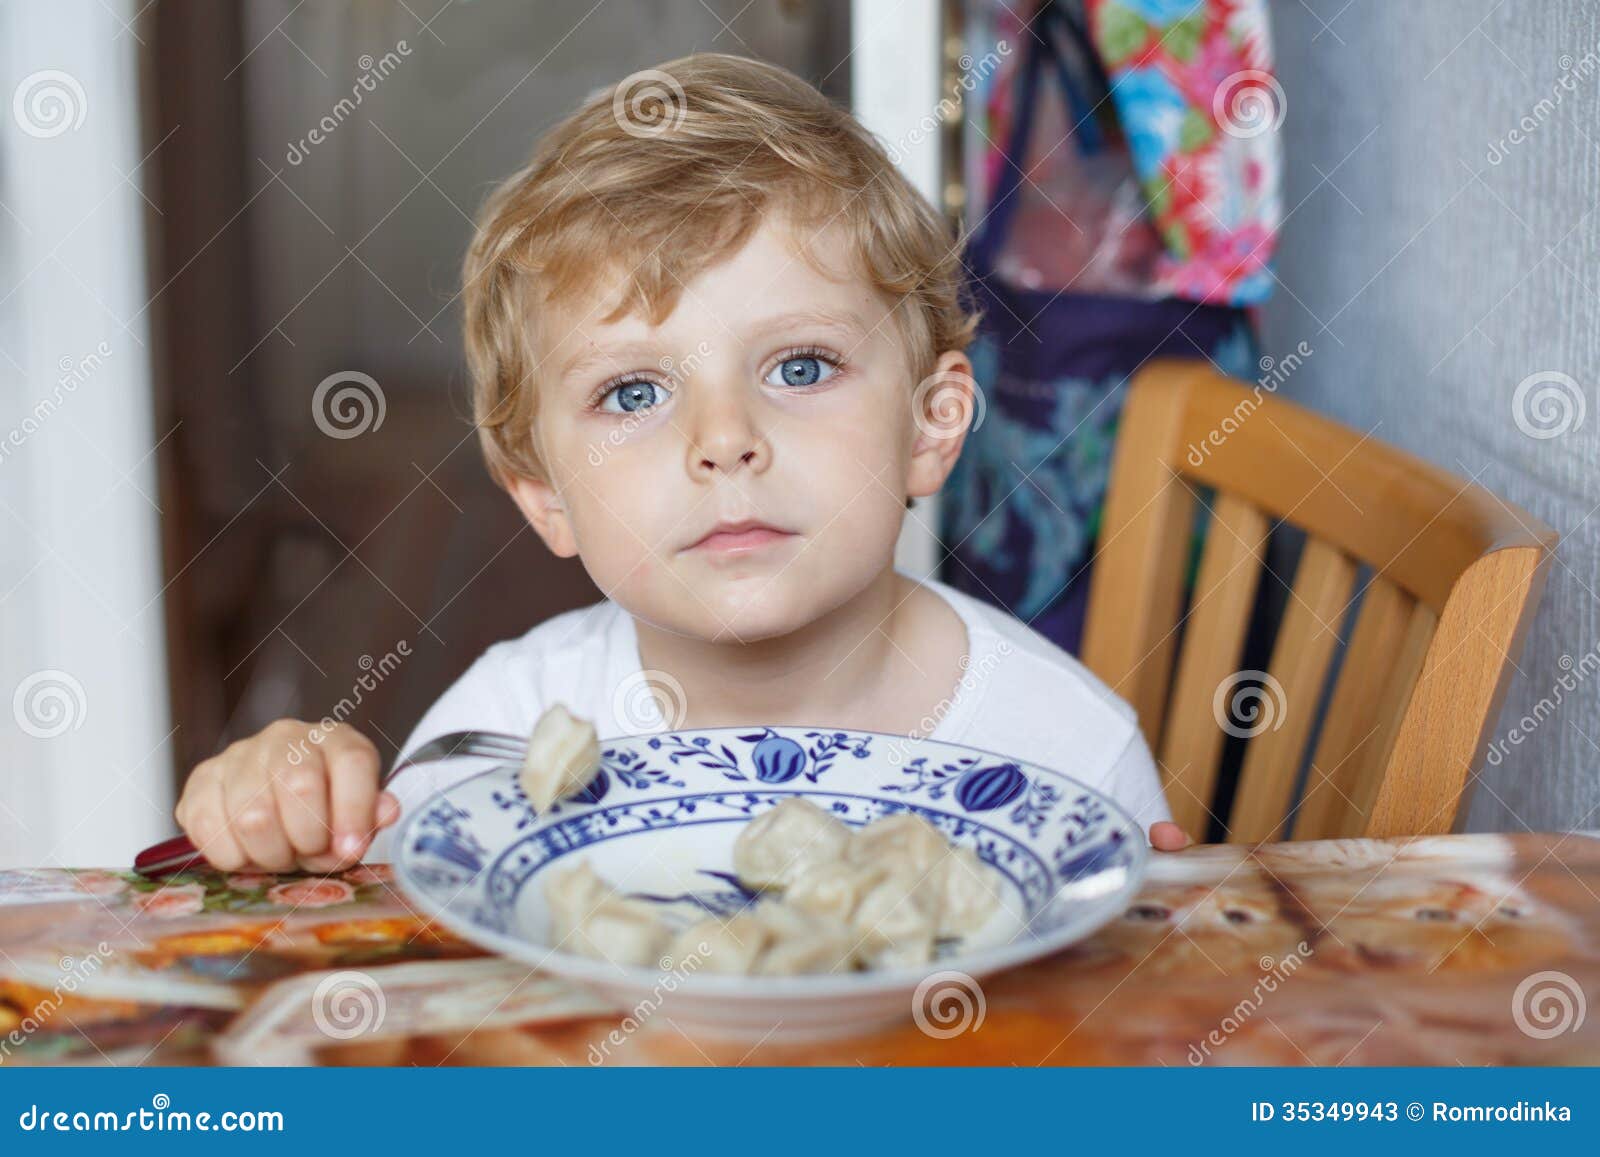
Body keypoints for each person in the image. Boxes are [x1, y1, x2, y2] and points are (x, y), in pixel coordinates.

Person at [173, 52, 1190, 875]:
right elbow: (405, 969)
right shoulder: (507, 731)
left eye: (800, 365)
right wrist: (296, 819)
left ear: (930, 423)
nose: (722, 437)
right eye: (633, 392)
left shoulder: (1065, 749)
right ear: (544, 497)